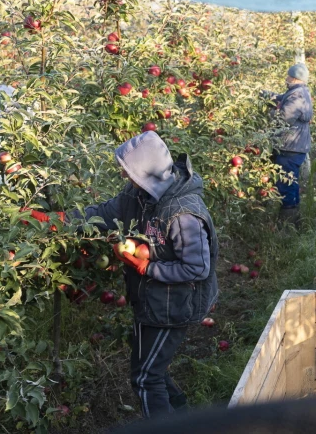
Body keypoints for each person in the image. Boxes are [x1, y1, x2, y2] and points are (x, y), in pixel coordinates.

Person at [71, 131, 218, 418]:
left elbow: (197, 268)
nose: (127, 178)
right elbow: (103, 213)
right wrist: (63, 221)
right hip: (150, 301)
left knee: (146, 379)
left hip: (174, 305)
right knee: (150, 369)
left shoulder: (183, 214)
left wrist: (147, 266)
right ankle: (183, 419)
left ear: (146, 171)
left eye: (131, 172)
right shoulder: (137, 195)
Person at [270, 63, 314, 225]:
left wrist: (269, 111)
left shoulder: (297, 96)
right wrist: (267, 96)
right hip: (295, 146)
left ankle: (287, 223)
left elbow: (283, 118)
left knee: (286, 183)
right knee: (291, 181)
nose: (286, 78)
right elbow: (282, 98)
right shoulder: (298, 92)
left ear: (295, 78)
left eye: (288, 76)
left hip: (290, 147)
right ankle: (294, 218)